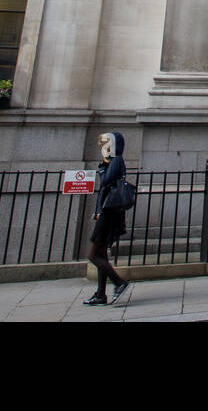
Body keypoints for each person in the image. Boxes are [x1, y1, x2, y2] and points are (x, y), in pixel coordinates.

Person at [84, 131, 132, 305]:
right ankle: (100, 294)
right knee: (101, 254)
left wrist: (103, 168)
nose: (102, 147)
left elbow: (106, 182)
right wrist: (97, 210)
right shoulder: (111, 161)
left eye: (105, 144)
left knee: (93, 254)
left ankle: (119, 282)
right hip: (106, 212)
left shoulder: (116, 161)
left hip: (110, 214)